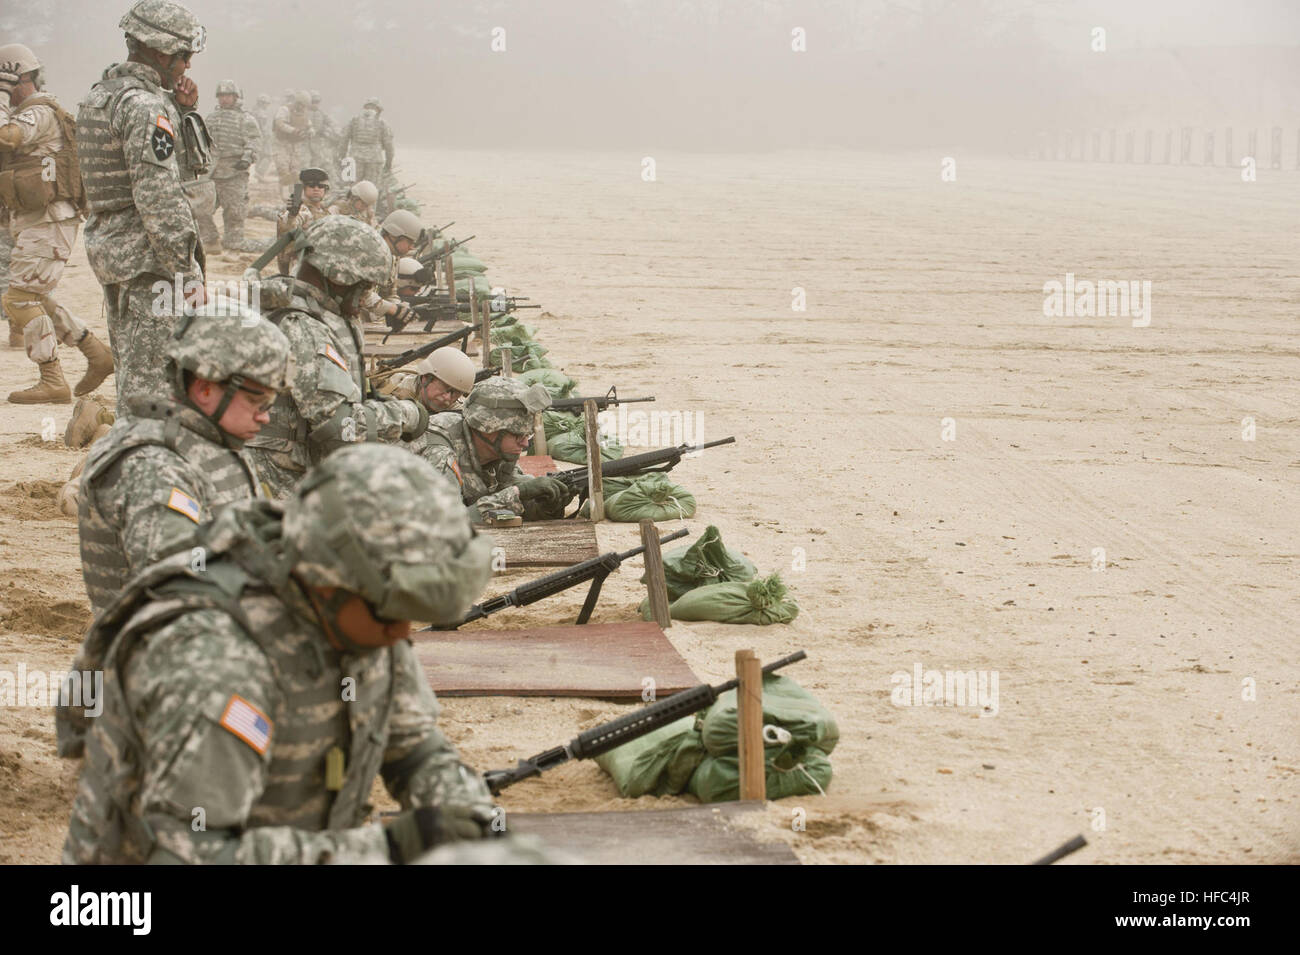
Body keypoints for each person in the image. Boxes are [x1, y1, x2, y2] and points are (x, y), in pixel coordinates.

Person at [62, 443, 498, 864]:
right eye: (392, 614)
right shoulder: (219, 660)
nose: (402, 634)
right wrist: (389, 849)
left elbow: (415, 750)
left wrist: (464, 817)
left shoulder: (360, 614)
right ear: (326, 581)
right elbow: (191, 852)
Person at [76, 301, 289, 618]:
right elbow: (182, 591)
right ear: (205, 388)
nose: (266, 417)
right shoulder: (154, 467)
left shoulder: (207, 444)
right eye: (258, 401)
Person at [76, 0, 210, 413]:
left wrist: (184, 112)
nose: (187, 65)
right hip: (151, 261)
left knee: (135, 373)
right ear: (157, 50)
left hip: (116, 255)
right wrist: (186, 272)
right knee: (156, 391)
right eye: (183, 54)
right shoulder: (145, 107)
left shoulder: (102, 96)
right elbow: (159, 196)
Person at [243, 214, 430, 499]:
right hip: (282, 484)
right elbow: (339, 426)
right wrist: (408, 415)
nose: (366, 296)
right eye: (364, 285)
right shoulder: (302, 327)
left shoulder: (301, 307)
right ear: (339, 276)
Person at [0, 43, 114, 403]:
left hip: (49, 220)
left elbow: (7, 137)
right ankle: (97, 353)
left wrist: (1, 97)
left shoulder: (37, 113)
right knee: (37, 298)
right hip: (41, 219)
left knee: (18, 300)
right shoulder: (31, 112)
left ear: (21, 77)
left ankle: (52, 379)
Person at [411, 377, 573, 522]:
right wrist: (517, 493)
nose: (524, 444)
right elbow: (444, 524)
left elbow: (513, 509)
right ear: (488, 430)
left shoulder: (497, 452)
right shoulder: (439, 453)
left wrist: (548, 505)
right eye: (517, 435)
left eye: (527, 435)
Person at [202, 79, 261, 252]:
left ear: (235, 97)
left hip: (234, 171)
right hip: (210, 172)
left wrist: (247, 158)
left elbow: (254, 141)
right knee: (201, 209)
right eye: (221, 95)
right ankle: (210, 240)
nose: (224, 99)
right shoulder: (211, 118)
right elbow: (200, 141)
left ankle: (233, 245)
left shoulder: (246, 119)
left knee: (234, 212)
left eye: (227, 95)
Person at [274, 165, 331, 272]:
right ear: (303, 188)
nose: (316, 188)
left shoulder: (326, 212)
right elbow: (288, 228)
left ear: (325, 189)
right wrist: (291, 215)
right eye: (311, 185)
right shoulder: (301, 210)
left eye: (320, 186)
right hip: (303, 265)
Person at [337, 97, 391, 198]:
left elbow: (343, 139)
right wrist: (389, 163)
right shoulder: (382, 123)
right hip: (374, 160)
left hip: (354, 159)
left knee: (351, 189)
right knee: (372, 191)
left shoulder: (354, 120)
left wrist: (342, 157)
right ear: (378, 109)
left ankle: (350, 211)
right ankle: (369, 213)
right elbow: (389, 145)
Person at [272, 90, 312, 197]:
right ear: (297, 102)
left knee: (297, 173)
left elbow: (310, 126)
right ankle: (284, 198)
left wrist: (310, 132)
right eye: (301, 105)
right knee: (284, 171)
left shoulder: (305, 114)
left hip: (296, 146)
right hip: (282, 144)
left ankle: (297, 197)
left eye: (305, 106)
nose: (302, 108)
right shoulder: (285, 110)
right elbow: (279, 123)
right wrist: (294, 130)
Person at [307, 90, 336, 173]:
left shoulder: (321, 113)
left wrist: (335, 131)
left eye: (317, 102)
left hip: (317, 141)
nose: (315, 104)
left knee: (318, 161)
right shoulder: (304, 112)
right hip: (304, 141)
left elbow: (332, 122)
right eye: (313, 101)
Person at [251, 92, 274, 182]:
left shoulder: (253, 111)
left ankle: (259, 174)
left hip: (255, 137)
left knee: (260, 156)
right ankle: (260, 173)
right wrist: (267, 136)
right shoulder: (261, 113)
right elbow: (263, 127)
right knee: (268, 156)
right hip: (262, 138)